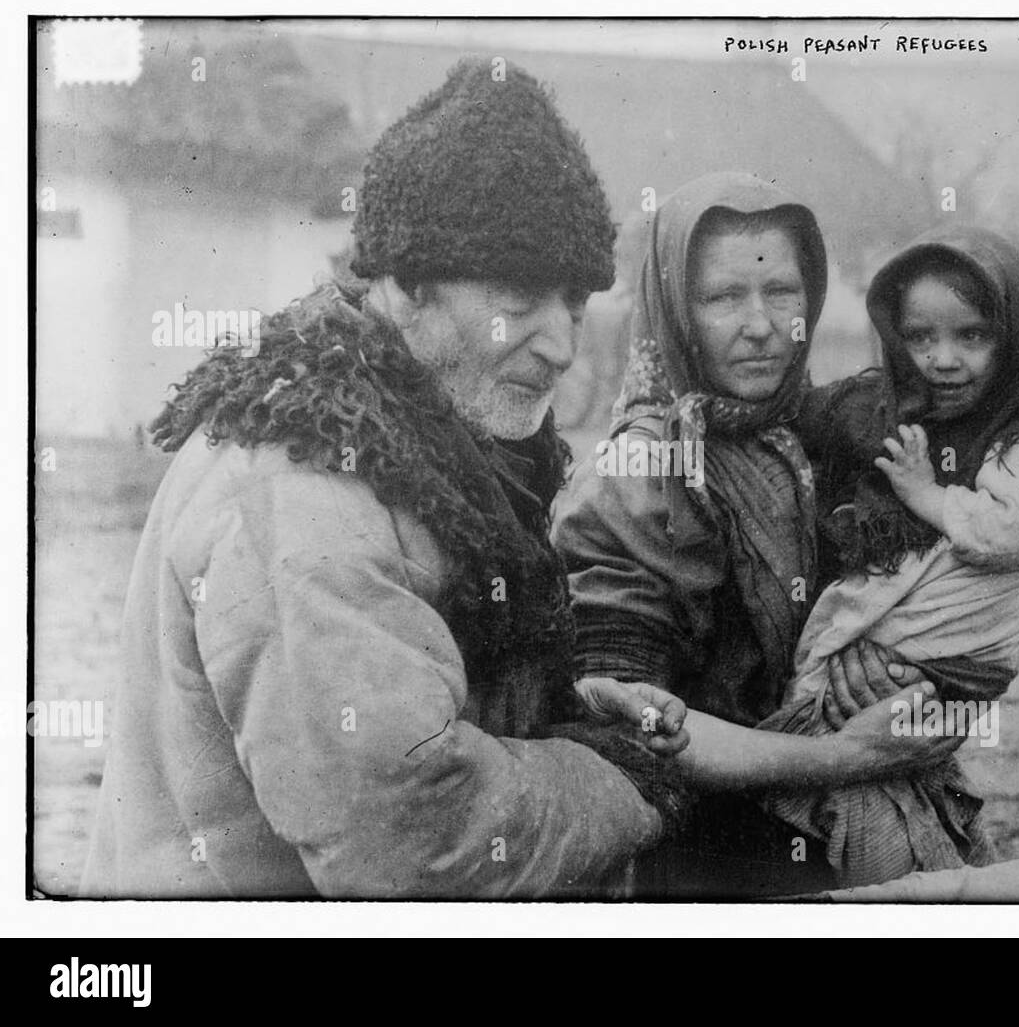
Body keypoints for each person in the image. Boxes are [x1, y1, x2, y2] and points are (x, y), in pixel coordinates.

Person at [79, 58, 693, 899]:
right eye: (519, 297)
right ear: (406, 286)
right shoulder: (300, 496)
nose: (560, 346)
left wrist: (559, 713)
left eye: (577, 308)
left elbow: (405, 700)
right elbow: (415, 844)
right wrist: (610, 779)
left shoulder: (412, 447)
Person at [555, 172, 965, 897]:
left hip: (825, 813)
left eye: (782, 292)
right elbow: (629, 736)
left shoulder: (821, 434)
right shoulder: (642, 473)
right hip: (697, 852)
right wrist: (847, 757)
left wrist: (900, 679)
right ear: (673, 310)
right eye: (720, 298)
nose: (761, 325)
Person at [758, 226, 1019, 886]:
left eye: (973, 336)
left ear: (1013, 337)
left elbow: (1010, 535)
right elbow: (802, 420)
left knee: (880, 785)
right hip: (879, 665)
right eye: (921, 337)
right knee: (854, 772)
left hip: (944, 665)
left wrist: (928, 493)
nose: (944, 359)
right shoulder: (878, 409)